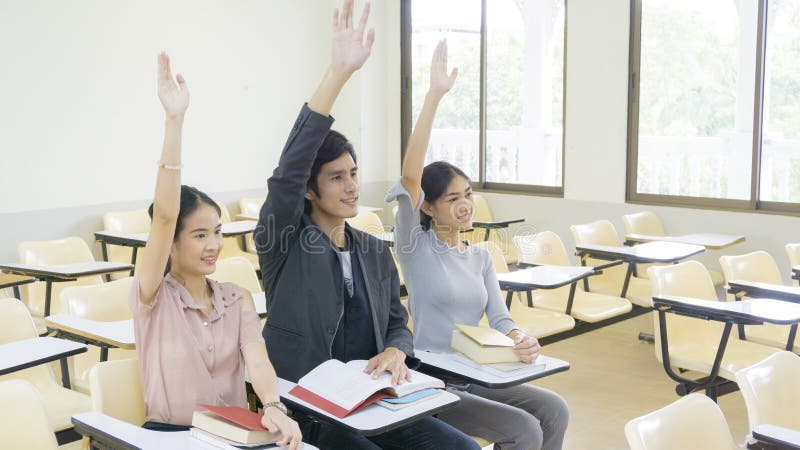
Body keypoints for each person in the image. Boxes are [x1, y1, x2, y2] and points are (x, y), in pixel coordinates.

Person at [255, 2, 480, 449]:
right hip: (311, 408)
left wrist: (398, 349)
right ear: (309, 190)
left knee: (463, 448)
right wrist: (339, 73)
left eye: (354, 173)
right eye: (337, 178)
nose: (352, 186)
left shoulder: (374, 252)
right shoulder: (284, 242)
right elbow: (287, 170)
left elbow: (398, 321)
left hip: (375, 399)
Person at [386, 40, 570, 450]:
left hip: (480, 370)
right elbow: (411, 174)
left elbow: (501, 320)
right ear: (428, 207)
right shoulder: (415, 247)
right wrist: (434, 95)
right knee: (524, 429)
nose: (465, 205)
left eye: (467, 194)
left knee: (555, 409)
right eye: (453, 198)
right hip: (435, 375)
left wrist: (521, 337)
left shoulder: (483, 256)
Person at [129, 52, 301, 449]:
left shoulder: (235, 298)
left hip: (236, 436)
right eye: (200, 235)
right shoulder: (153, 297)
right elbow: (164, 216)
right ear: (172, 242)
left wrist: (272, 404)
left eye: (218, 233)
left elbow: (257, 359)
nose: (214, 245)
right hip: (171, 437)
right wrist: (175, 121)